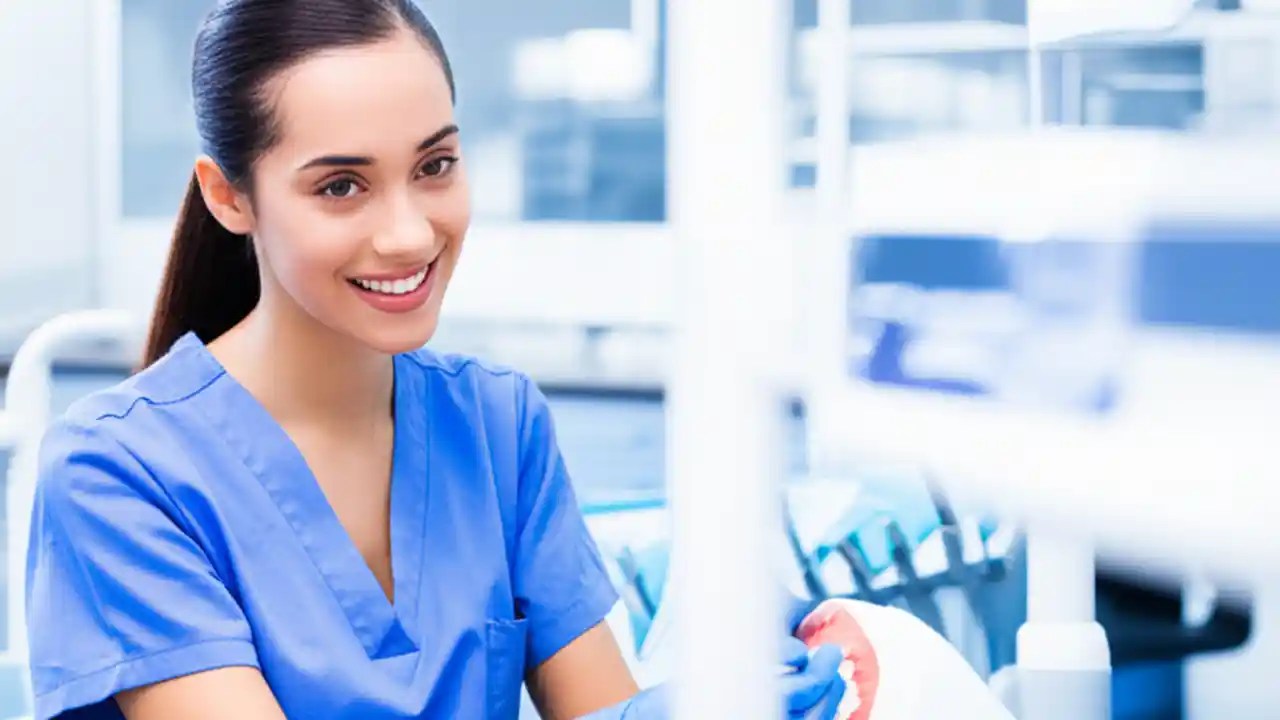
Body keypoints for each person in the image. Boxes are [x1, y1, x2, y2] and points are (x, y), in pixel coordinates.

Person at [24, 1, 844, 718]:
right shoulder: (116, 472)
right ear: (229, 196)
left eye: (435, 166)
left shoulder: (498, 427)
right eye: (341, 186)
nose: (411, 232)